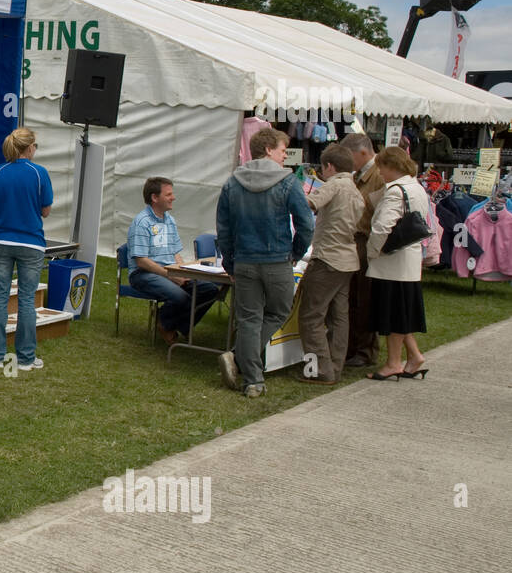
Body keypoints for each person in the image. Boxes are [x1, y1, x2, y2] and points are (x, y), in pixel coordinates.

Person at [216, 127, 315, 397]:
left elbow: (223, 229)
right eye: (283, 151)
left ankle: (251, 378)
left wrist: (230, 262)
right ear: (269, 149)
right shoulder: (288, 182)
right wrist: (296, 252)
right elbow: (305, 223)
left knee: (249, 319)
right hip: (277, 259)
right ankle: (241, 362)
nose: (285, 156)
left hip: (245, 260)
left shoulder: (232, 182)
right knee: (279, 311)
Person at [0, 127, 53, 371]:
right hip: (31, 242)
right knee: (26, 300)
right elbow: (45, 210)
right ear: (30, 147)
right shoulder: (39, 173)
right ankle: (25, 359)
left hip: (0, 241)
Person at [295, 143, 364, 385]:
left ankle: (320, 370)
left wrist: (293, 193)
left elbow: (309, 204)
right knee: (339, 316)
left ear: (329, 166)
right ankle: (335, 365)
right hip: (347, 259)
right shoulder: (355, 189)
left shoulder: (334, 184)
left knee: (311, 315)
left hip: (327, 258)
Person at [126, 177, 219, 345]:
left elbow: (175, 252)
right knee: (181, 296)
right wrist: (171, 276)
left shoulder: (170, 220)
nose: (173, 197)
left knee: (210, 290)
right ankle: (165, 323)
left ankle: (176, 325)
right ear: (155, 198)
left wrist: (183, 272)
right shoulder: (141, 223)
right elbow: (141, 261)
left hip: (169, 271)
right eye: (168, 194)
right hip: (144, 274)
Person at [364, 146, 429, 381]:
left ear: (391, 166)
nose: (380, 172)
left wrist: (371, 251)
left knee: (393, 315)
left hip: (392, 262)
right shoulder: (417, 187)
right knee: (403, 312)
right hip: (409, 260)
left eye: (381, 167)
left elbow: (382, 227)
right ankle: (414, 355)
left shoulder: (396, 191)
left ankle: (393, 362)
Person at [341, 132, 385, 367]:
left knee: (364, 298)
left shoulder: (377, 176)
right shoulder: (360, 175)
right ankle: (352, 346)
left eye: (349, 157)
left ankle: (365, 350)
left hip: (367, 241)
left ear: (362, 153)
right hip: (355, 240)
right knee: (353, 296)